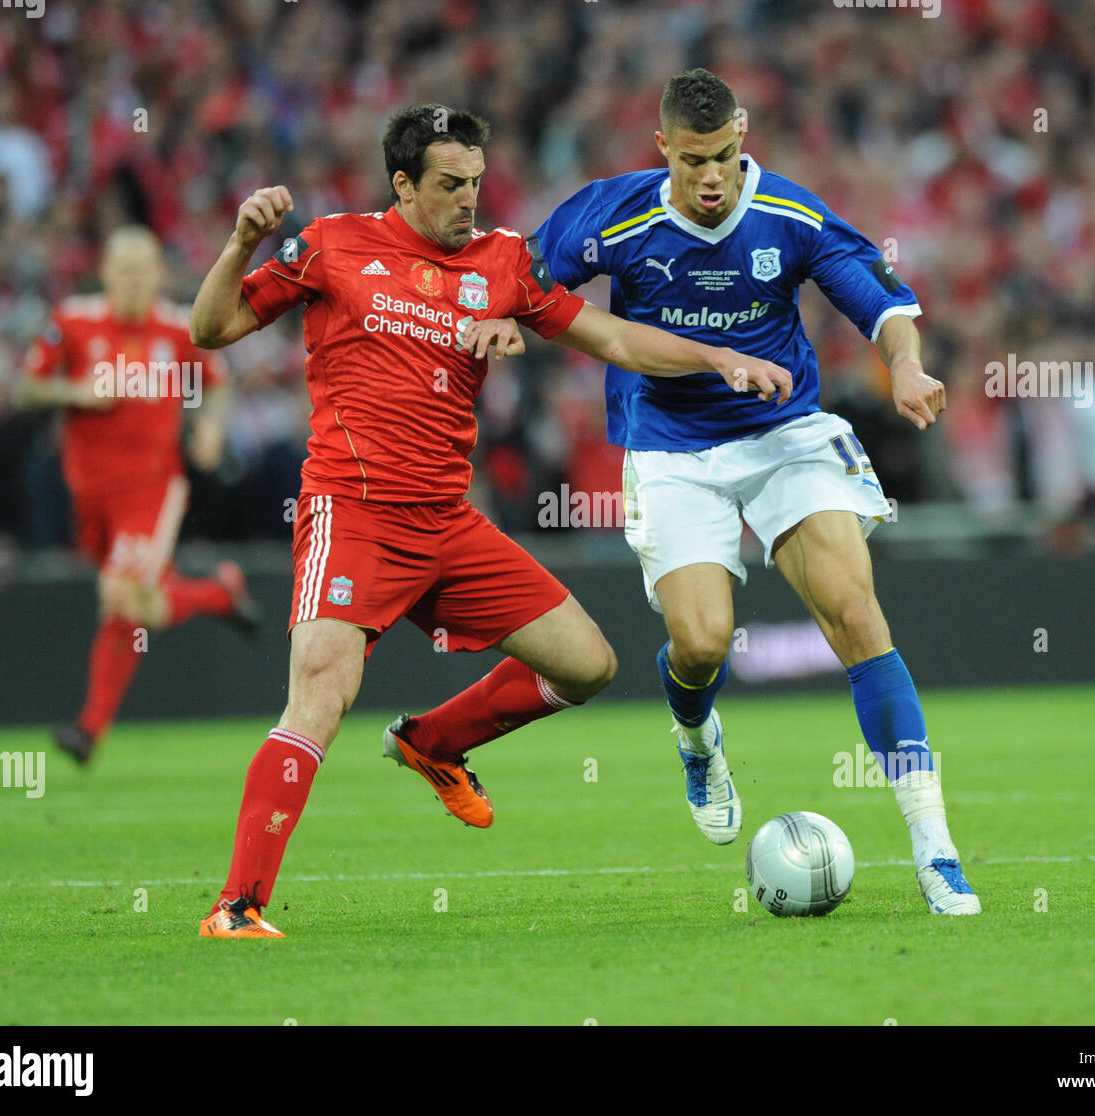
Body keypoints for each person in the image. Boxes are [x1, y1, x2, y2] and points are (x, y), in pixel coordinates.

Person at [188, 103, 791, 938]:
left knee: (587, 665)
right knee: (320, 697)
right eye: (448, 185)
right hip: (354, 511)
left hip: (448, 521)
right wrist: (240, 245)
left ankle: (433, 742)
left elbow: (612, 339)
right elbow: (211, 328)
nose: (468, 199)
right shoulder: (331, 245)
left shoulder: (502, 263)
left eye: (475, 181)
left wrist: (718, 357)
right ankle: (238, 905)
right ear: (402, 183)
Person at [529, 68, 980, 914]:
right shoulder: (611, 213)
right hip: (669, 448)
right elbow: (523, 278)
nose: (710, 177)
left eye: (726, 155)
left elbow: (879, 303)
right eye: (693, 159)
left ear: (743, 134)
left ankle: (934, 846)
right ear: (662, 146)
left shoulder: (790, 215)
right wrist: (497, 319)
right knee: (701, 645)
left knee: (856, 615)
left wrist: (909, 368)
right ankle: (698, 739)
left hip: (784, 436)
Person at [20, 226, 258, 765]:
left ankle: (88, 730)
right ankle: (219, 593)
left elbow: (217, 382)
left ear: (158, 274)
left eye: (142, 269)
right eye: (122, 269)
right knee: (140, 605)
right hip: (89, 496)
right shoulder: (72, 322)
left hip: (152, 491)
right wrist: (76, 390)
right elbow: (26, 388)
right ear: (104, 272)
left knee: (119, 596)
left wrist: (212, 429)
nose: (132, 280)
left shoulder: (176, 330)